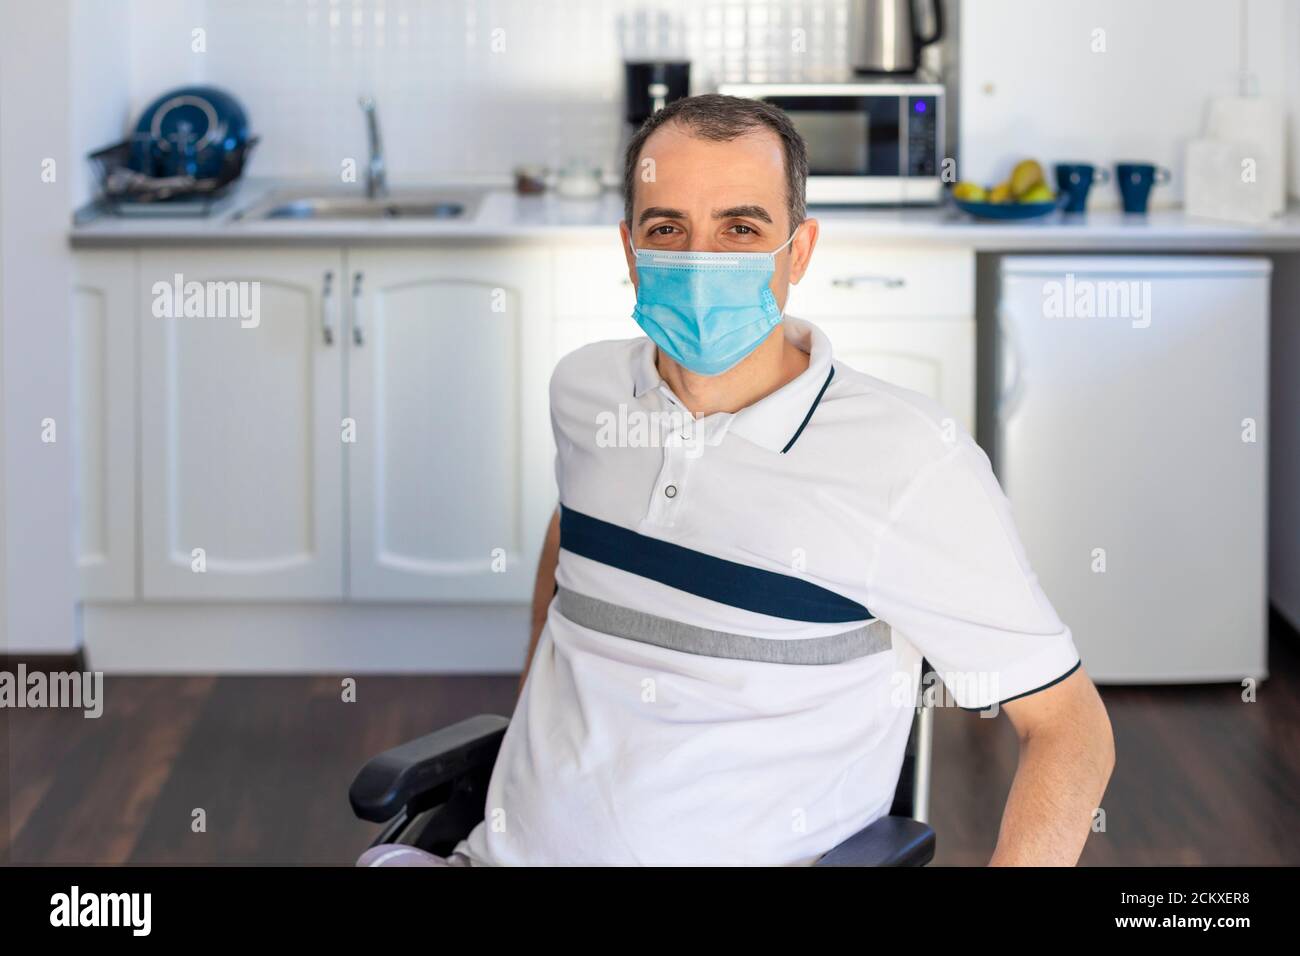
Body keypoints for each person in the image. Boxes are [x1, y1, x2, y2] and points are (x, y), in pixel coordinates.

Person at [368, 93, 1114, 867]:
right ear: (629, 251)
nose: (700, 261)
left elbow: (1069, 727)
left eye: (740, 228)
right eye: (668, 230)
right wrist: (532, 716)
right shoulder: (583, 393)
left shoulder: (911, 464)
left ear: (798, 251)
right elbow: (572, 533)